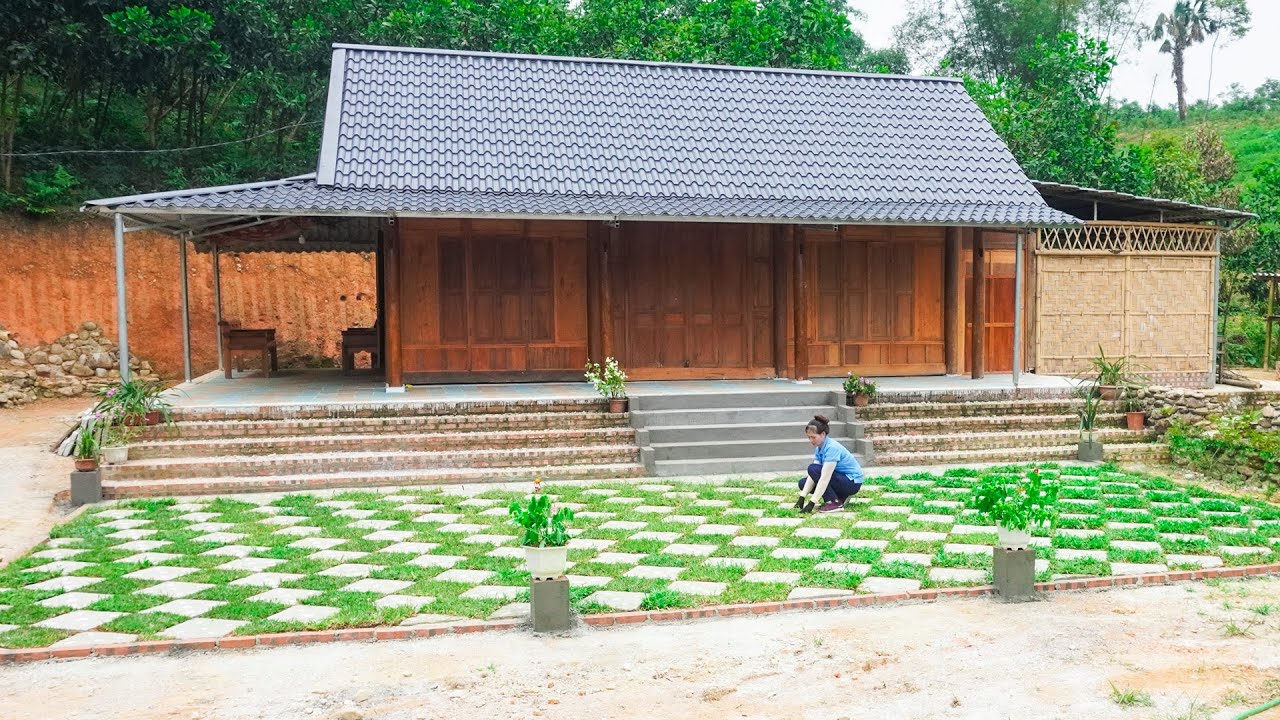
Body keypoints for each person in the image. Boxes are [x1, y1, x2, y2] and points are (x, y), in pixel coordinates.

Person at [795, 414, 863, 513]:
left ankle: (835, 503)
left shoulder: (832, 448)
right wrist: (801, 497)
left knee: (814, 469)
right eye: (809, 437)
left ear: (823, 434)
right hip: (840, 479)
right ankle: (840, 497)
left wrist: (812, 503)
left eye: (813, 437)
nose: (810, 440)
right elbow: (813, 476)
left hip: (851, 482)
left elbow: (824, 477)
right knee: (803, 483)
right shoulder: (819, 447)